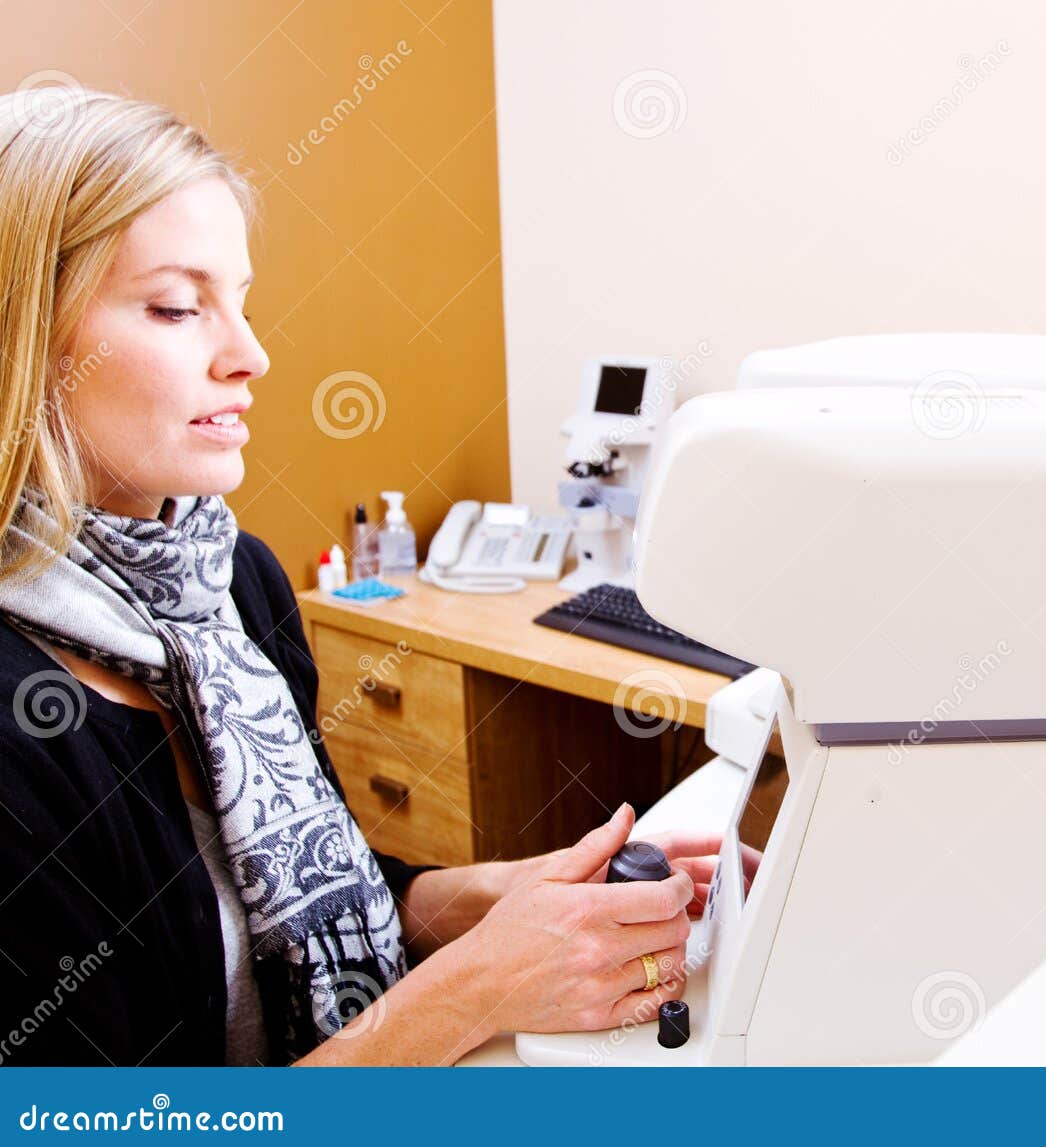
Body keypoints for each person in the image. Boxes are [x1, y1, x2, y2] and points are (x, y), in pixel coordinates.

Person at [0, 89, 719, 1066]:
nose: (250, 355)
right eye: (177, 306)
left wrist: (514, 892)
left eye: (242, 302)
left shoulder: (233, 585)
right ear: (21, 336)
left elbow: (307, 891)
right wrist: (473, 989)